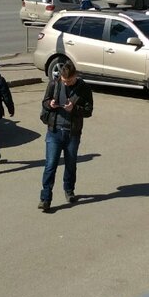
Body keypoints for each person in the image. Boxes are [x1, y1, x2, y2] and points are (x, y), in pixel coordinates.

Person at [39, 62, 93, 213]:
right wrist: (50, 104)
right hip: (54, 131)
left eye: (69, 81)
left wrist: (74, 109)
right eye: (64, 80)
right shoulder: (54, 84)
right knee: (50, 165)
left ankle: (69, 190)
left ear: (75, 76)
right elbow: (44, 103)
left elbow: (89, 110)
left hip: (72, 133)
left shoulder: (84, 88)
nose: (66, 83)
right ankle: (45, 199)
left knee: (70, 164)